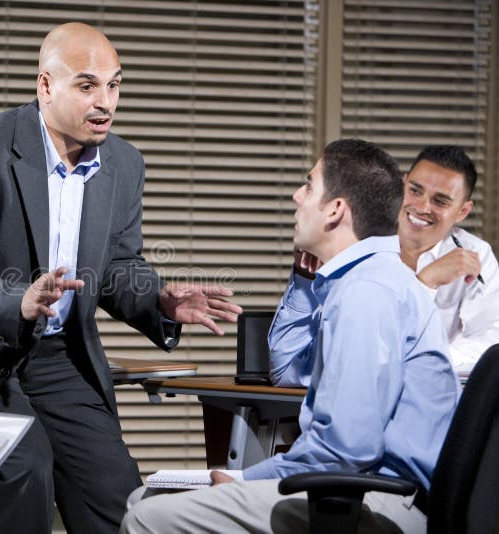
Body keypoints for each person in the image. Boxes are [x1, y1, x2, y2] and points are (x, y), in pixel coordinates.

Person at [0, 22, 242, 534]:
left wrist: (160, 301)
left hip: (60, 356)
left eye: (114, 85)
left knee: (116, 491)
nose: (105, 101)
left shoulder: (123, 165)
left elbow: (115, 267)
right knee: (26, 474)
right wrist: (14, 302)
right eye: (87, 86)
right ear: (45, 86)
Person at [121, 139, 461, 533]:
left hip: (380, 501)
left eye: (309, 186)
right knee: (143, 497)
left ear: (335, 210)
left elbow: (345, 451)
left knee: (148, 518)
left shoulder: (368, 293)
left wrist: (247, 479)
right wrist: (303, 282)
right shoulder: (361, 281)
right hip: (358, 488)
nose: (297, 196)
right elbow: (290, 373)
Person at [397, 145, 499, 375]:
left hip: (441, 396)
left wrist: (423, 362)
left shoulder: (477, 254)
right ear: (402, 185)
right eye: (415, 190)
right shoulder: (364, 242)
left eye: (440, 201)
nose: (422, 207)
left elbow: (491, 341)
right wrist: (426, 281)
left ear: (462, 211)